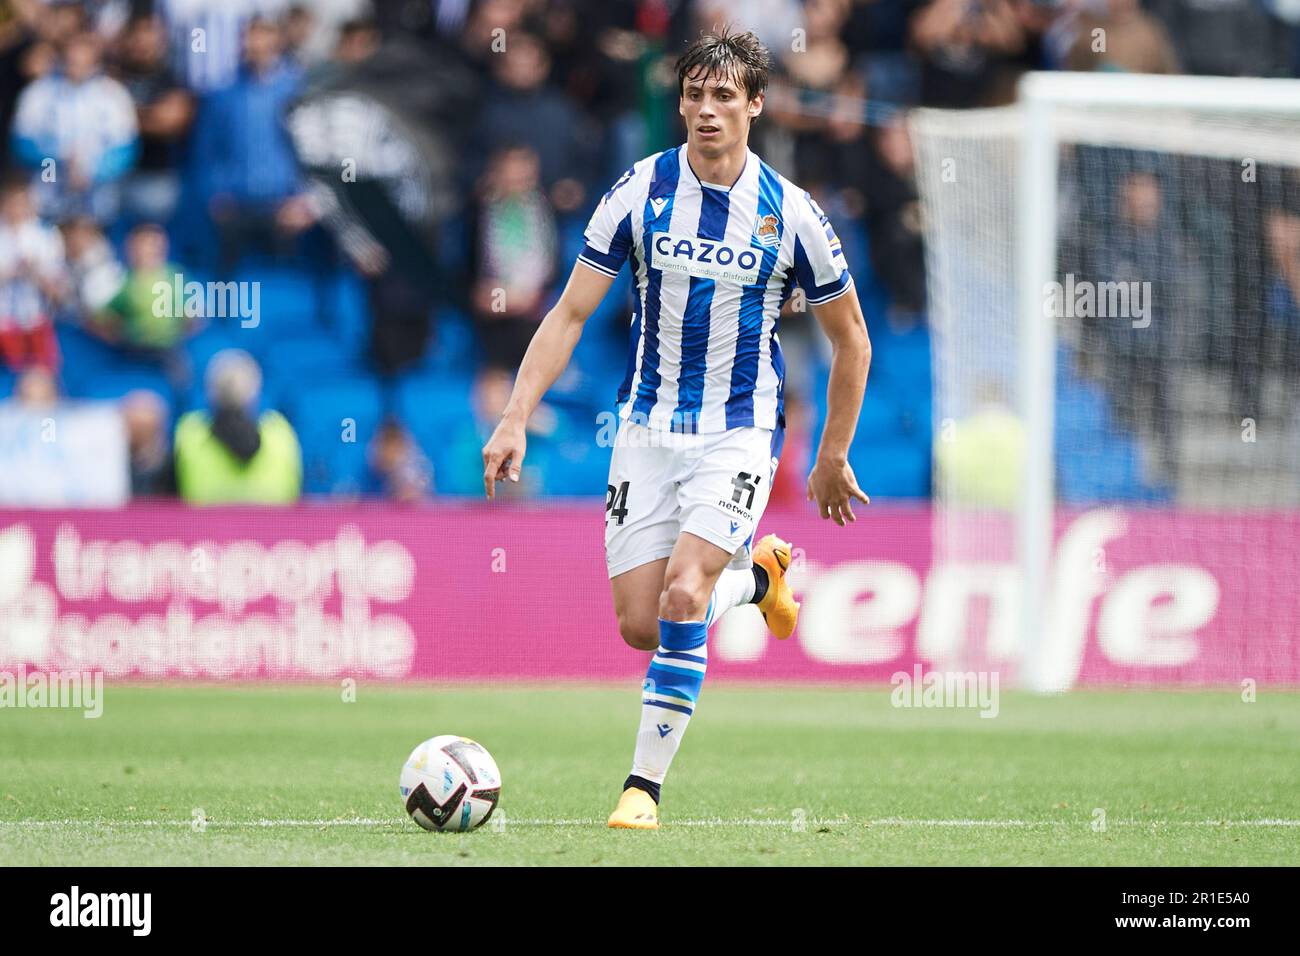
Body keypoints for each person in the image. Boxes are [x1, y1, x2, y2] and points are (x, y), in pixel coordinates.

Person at [481, 27, 872, 830]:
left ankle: (642, 791)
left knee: (685, 594)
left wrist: (831, 454)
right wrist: (515, 416)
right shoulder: (638, 192)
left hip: (737, 429)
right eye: (695, 94)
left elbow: (851, 339)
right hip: (646, 426)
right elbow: (570, 314)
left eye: (725, 96)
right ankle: (759, 580)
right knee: (640, 623)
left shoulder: (790, 214)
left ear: (756, 105)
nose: (707, 110)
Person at [174, 349, 302, 504]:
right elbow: (294, 495)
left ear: (210, 393)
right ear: (255, 393)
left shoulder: (189, 432)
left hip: (204, 527)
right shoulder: (280, 432)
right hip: (272, 527)